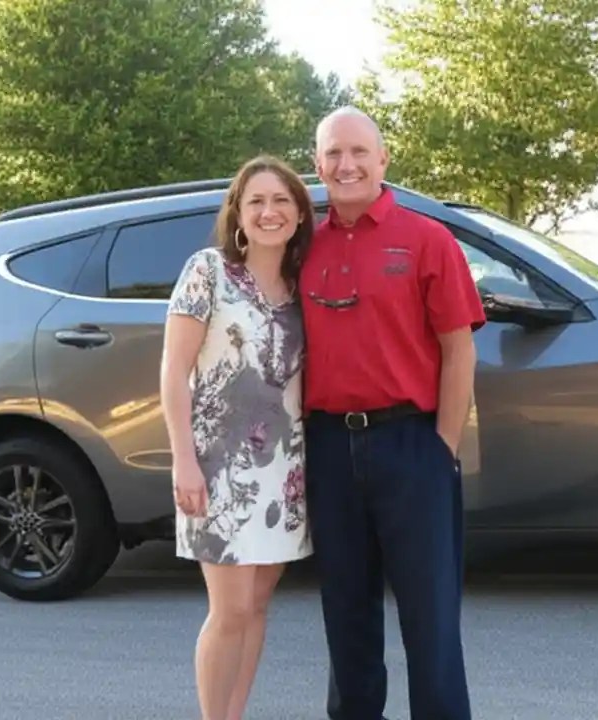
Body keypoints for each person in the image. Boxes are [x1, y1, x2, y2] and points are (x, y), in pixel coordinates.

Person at [300, 106, 486, 720]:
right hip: (327, 446)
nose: (346, 165)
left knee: (429, 617)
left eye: (359, 152)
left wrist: (442, 448)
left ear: (383, 160)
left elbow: (460, 349)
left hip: (411, 444)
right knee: (346, 613)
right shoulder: (302, 246)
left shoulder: (429, 240)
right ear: (318, 163)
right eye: (333, 154)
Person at [160, 155, 315, 720]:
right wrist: (184, 460)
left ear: (299, 214)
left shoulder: (304, 286)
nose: (269, 212)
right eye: (256, 202)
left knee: (256, 606)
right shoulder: (208, 271)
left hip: (284, 467)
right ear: (238, 214)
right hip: (218, 464)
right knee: (228, 611)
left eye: (281, 201)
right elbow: (174, 370)